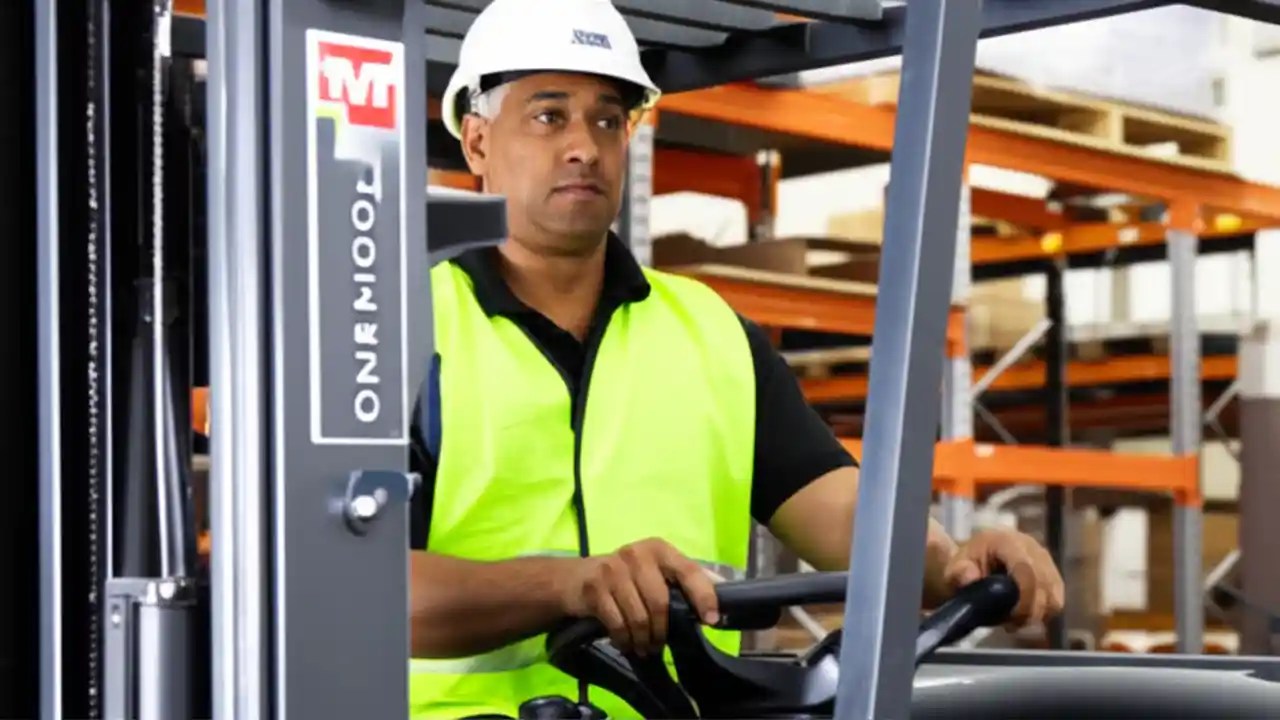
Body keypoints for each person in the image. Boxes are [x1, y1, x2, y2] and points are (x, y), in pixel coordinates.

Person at [406, 1, 1064, 717]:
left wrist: (953, 560)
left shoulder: (710, 330)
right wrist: (566, 587)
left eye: (606, 120)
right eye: (548, 116)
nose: (583, 147)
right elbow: (355, 589)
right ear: (475, 141)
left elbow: (839, 507)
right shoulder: (407, 327)